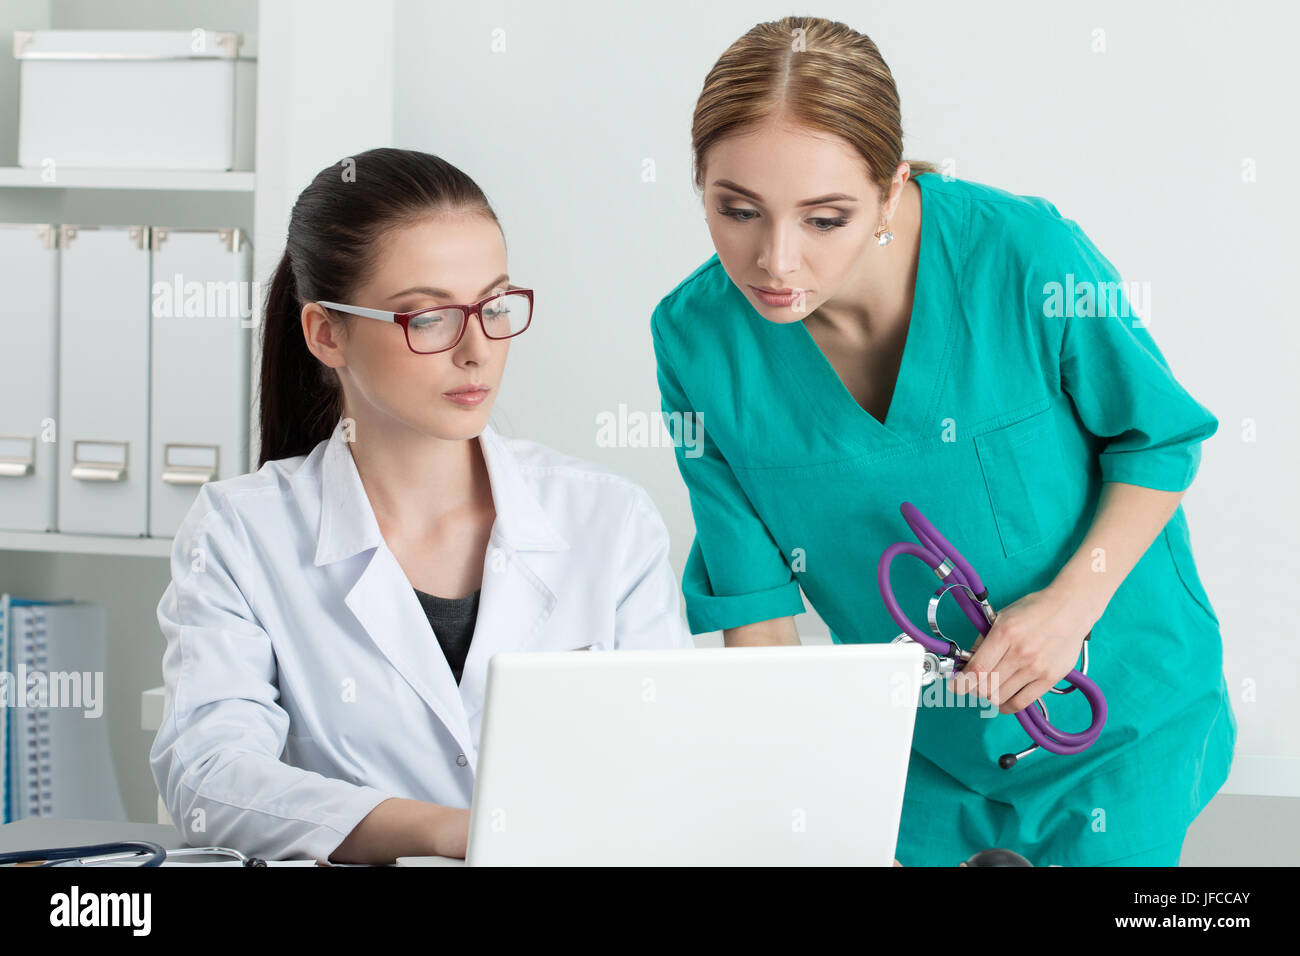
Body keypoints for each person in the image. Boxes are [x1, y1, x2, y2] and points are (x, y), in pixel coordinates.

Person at [651, 16, 1236, 867]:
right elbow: (758, 611)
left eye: (825, 218)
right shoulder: (696, 339)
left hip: (1119, 715)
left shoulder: (1021, 253)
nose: (775, 261)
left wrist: (1067, 611)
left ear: (890, 189)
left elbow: (1157, 440)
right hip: (916, 758)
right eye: (736, 210)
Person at [150, 147, 693, 865]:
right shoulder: (241, 532)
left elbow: (674, 768)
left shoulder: (610, 522)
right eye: (429, 317)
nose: (477, 350)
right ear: (326, 333)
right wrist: (447, 831)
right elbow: (209, 776)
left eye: (495, 306)